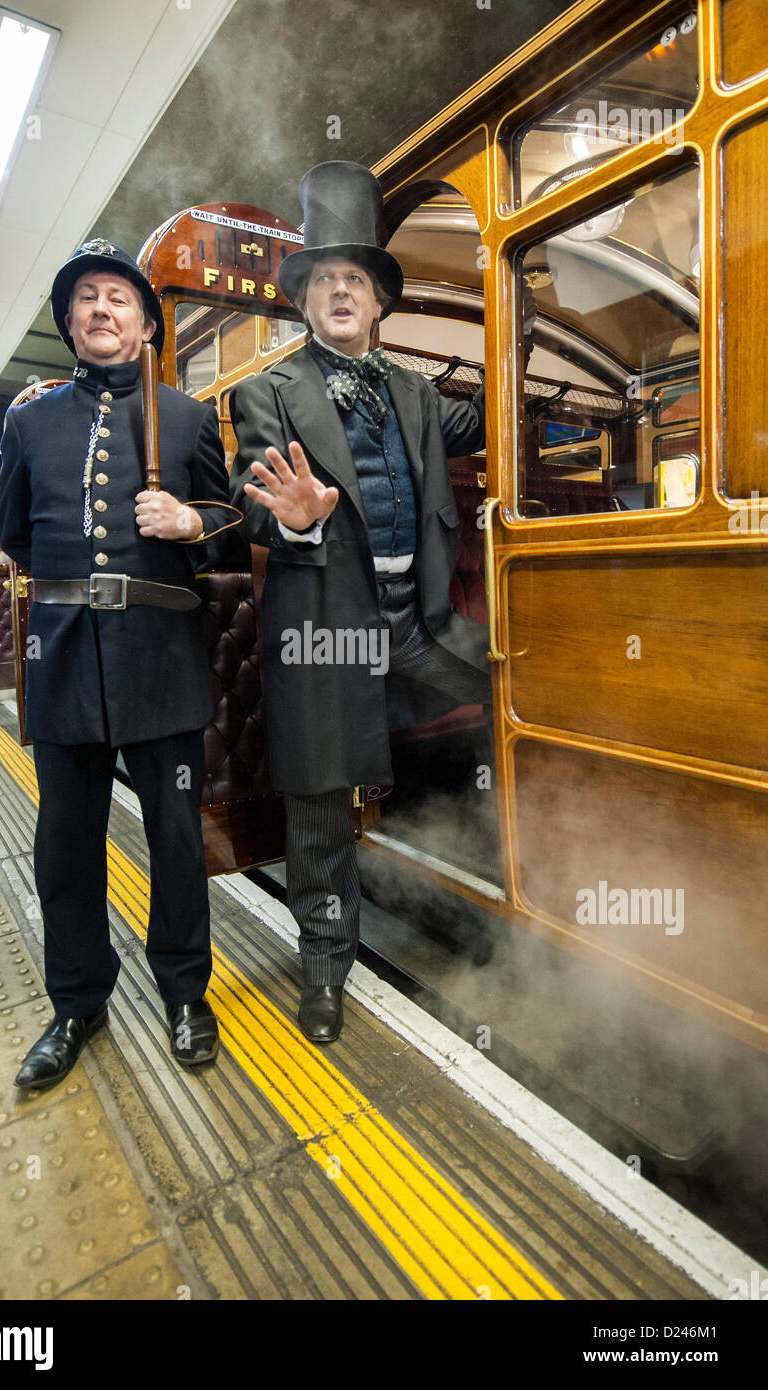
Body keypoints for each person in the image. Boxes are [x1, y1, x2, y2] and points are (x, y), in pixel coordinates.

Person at [230, 162, 523, 1044]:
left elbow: (497, 406)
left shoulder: (418, 394)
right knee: (321, 801)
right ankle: (324, 966)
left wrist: (525, 292)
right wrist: (300, 522)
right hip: (325, 630)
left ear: (378, 301)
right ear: (306, 302)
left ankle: (479, 904)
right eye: (324, 280)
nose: (340, 291)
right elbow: (253, 500)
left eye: (354, 277)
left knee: (502, 714)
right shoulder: (266, 394)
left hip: (419, 623)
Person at [0, 238, 236, 1089]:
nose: (103, 310)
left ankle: (184, 992)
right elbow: (19, 535)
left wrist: (187, 521)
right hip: (64, 661)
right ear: (69, 322)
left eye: (119, 299)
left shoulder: (190, 418)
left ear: (145, 325)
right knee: (66, 842)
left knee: (175, 837)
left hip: (159, 658)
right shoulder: (27, 422)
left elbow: (227, 519)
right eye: (88, 298)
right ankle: (77, 1003)